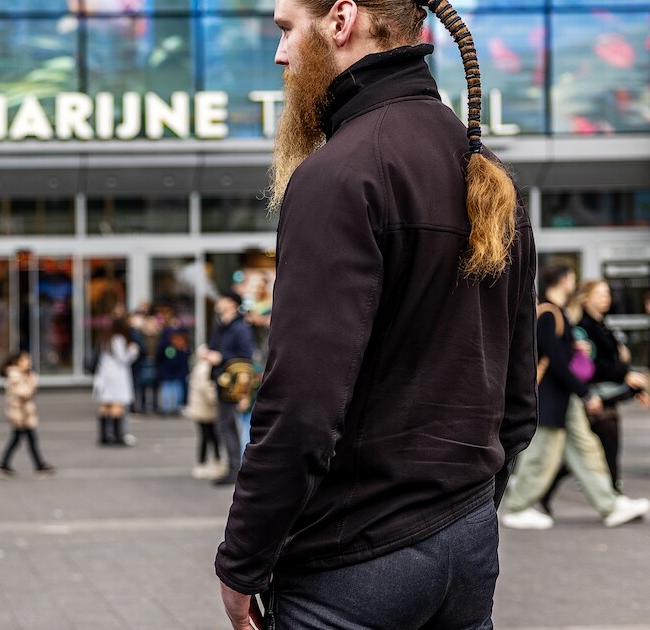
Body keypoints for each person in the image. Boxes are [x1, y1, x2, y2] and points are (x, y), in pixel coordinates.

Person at [216, 1, 542, 628]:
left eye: (287, 30)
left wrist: (242, 562)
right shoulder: (486, 171)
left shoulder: (338, 174)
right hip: (465, 544)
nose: (280, 54)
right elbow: (517, 397)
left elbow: (302, 407)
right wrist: (468, 507)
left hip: (350, 566)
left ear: (341, 21)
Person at [502, 264, 650, 530]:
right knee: (542, 454)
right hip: (551, 397)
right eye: (572, 278)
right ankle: (517, 508)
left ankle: (610, 504)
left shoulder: (557, 313)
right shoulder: (548, 313)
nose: (574, 283)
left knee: (587, 450)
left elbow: (560, 355)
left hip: (564, 398)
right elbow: (556, 361)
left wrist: (574, 349)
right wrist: (584, 391)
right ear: (563, 280)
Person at [543, 279, 649, 499]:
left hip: (604, 396)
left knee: (589, 451)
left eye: (607, 294)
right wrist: (624, 374)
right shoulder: (583, 327)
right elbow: (594, 366)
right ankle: (613, 497)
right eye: (600, 294)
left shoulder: (602, 324)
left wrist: (631, 382)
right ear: (586, 298)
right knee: (599, 449)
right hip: (595, 395)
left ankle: (548, 494)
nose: (606, 298)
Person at [205, 290, 255, 486]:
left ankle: (235, 468)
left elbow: (246, 356)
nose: (219, 302)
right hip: (221, 381)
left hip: (232, 384)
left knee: (228, 426)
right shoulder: (222, 325)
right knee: (224, 426)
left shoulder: (239, 328)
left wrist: (220, 357)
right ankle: (233, 466)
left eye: (223, 299)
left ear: (233, 304)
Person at [0, 351, 54, 479]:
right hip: (20, 414)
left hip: (23, 414)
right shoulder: (15, 375)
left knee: (17, 440)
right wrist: (33, 382)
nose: (29, 363)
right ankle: (39, 466)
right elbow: (24, 393)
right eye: (26, 360)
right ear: (18, 362)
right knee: (29, 440)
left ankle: (4, 464)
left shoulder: (21, 374)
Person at [93, 314, 139, 446]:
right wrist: (132, 351)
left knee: (105, 405)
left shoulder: (104, 338)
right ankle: (118, 436)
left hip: (104, 375)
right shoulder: (118, 339)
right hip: (117, 377)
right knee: (117, 405)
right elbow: (123, 359)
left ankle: (104, 436)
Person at [183, 343, 224, 480]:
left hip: (200, 408)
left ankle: (206, 463)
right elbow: (206, 388)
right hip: (206, 408)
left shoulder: (199, 366)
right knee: (210, 437)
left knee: (207, 437)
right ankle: (209, 463)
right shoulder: (205, 368)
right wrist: (216, 398)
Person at [156, 327, 191, 415]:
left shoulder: (166, 344)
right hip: (175, 371)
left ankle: (167, 408)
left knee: (169, 388)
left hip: (168, 370)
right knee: (174, 388)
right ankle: (174, 407)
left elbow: (159, 356)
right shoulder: (182, 343)